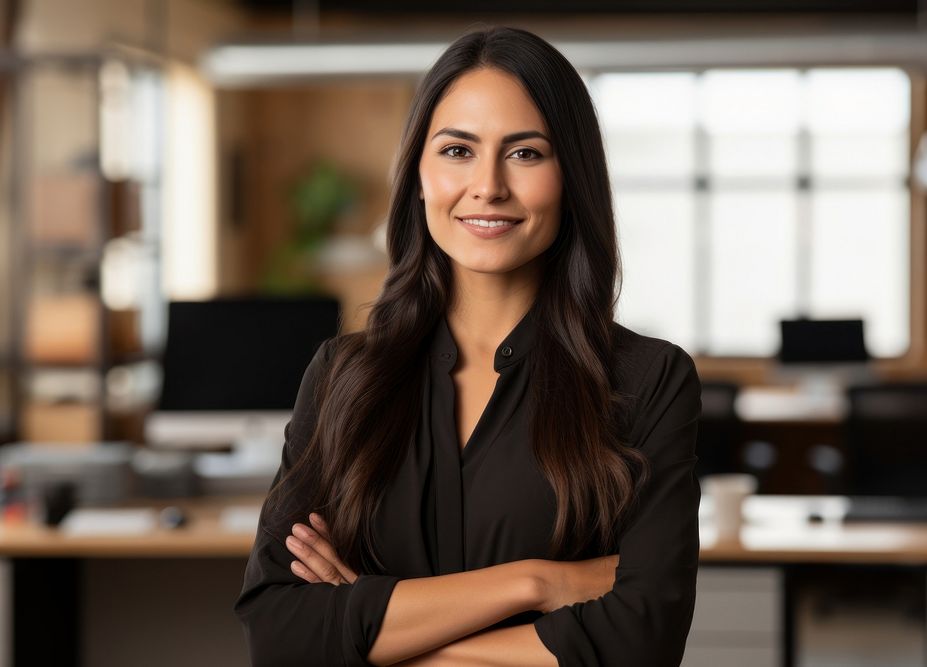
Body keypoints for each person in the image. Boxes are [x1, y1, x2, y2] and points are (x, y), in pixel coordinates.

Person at [234, 24, 702, 667]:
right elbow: (279, 632)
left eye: (526, 153)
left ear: (572, 177)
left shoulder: (649, 379)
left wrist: (372, 634)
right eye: (457, 151)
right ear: (419, 174)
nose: (488, 186)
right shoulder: (342, 376)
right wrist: (540, 582)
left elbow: (643, 642)